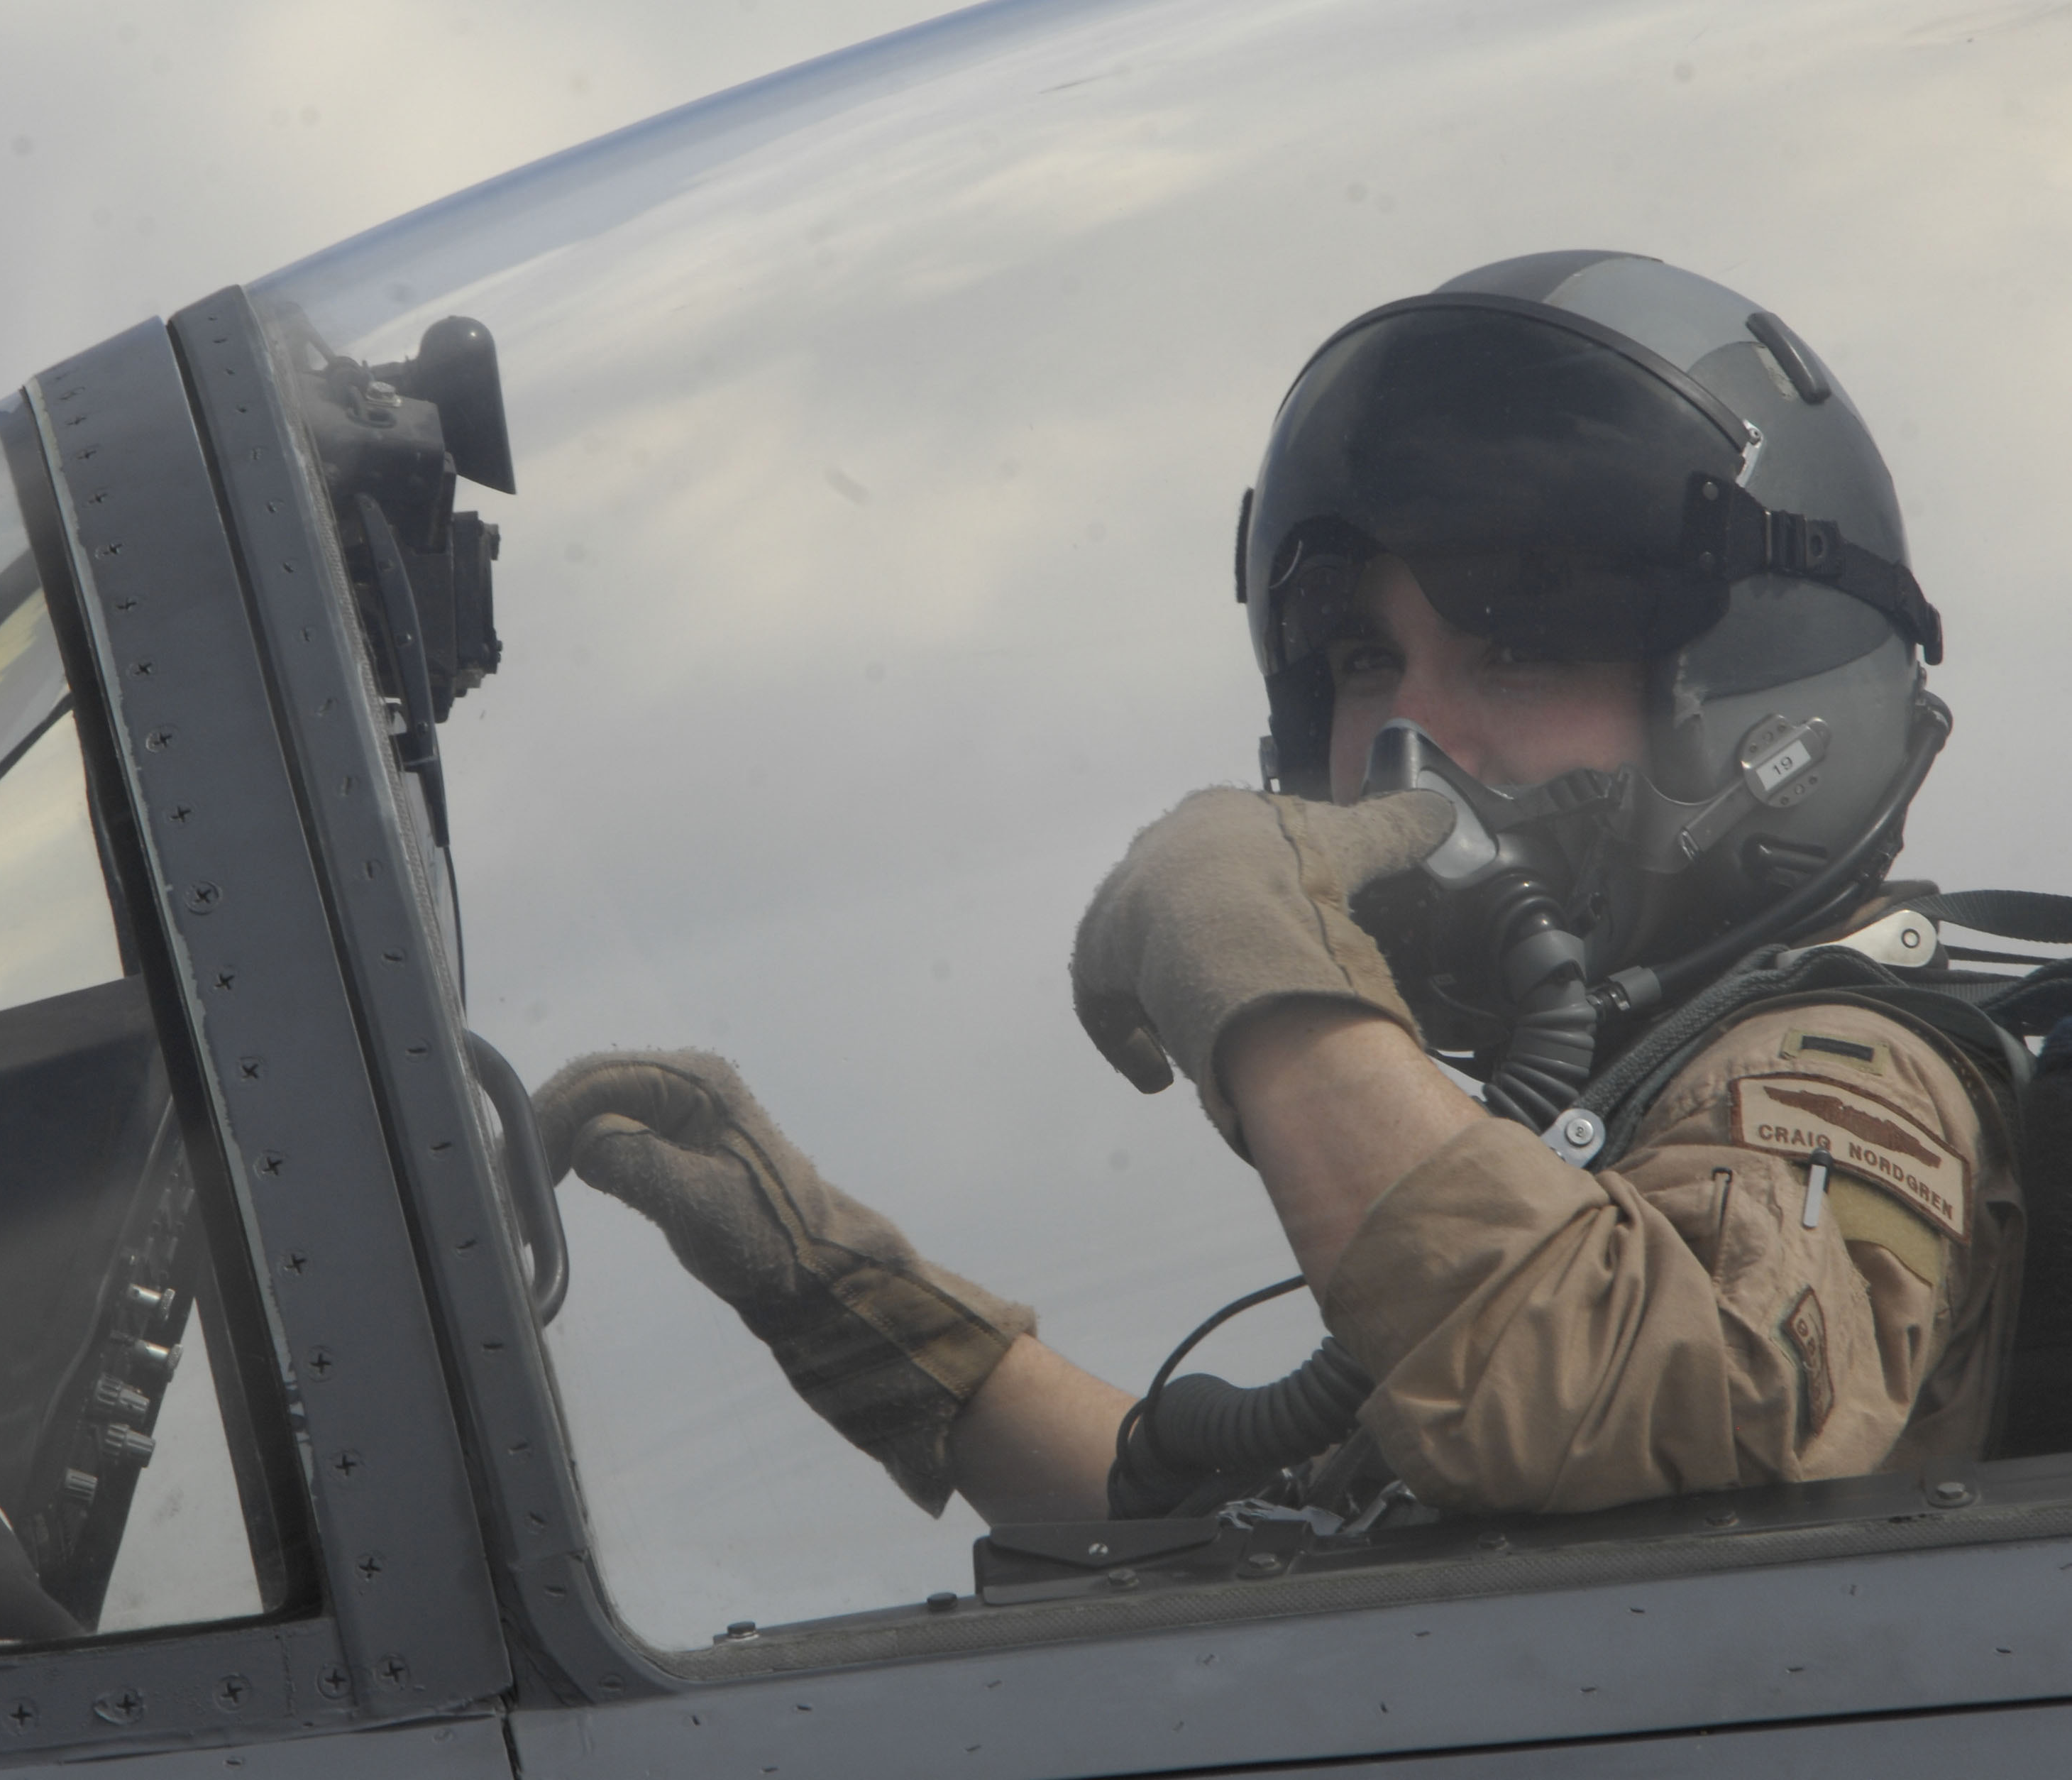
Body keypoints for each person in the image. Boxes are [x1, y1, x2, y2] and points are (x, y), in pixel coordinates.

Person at [532, 252, 2024, 1529]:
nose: (1407, 739)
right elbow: (1287, 1553)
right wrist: (861, 1312)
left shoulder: (1842, 1070)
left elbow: (1628, 1418)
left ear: (1754, 702)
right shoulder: (1600, 1139)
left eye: (1515, 649)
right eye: (1363, 661)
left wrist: (1260, 974)